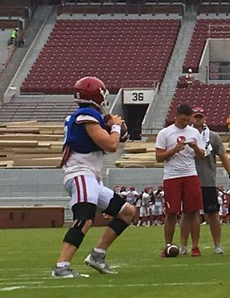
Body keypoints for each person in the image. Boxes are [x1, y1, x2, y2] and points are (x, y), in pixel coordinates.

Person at [50, 76, 135, 277]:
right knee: (84, 219)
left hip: (90, 177)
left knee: (127, 212)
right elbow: (111, 145)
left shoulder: (82, 116)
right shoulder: (86, 114)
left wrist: (116, 129)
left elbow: (119, 137)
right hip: (81, 173)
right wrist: (114, 126)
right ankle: (62, 266)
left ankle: (97, 255)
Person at [156, 104, 206, 256]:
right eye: (183, 119)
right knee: (171, 212)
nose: (185, 123)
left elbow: (202, 154)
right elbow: (158, 157)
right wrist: (174, 150)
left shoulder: (194, 132)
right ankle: (168, 245)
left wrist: (195, 147)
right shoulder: (165, 133)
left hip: (190, 173)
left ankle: (195, 246)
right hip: (172, 175)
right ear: (176, 117)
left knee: (193, 211)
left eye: (188, 120)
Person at [192, 108, 230, 254]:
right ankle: (193, 245)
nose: (198, 120)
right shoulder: (187, 135)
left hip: (208, 180)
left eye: (200, 117)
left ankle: (217, 244)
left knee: (213, 213)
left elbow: (223, 156)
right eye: (195, 117)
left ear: (204, 118)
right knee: (191, 214)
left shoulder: (213, 136)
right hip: (191, 179)